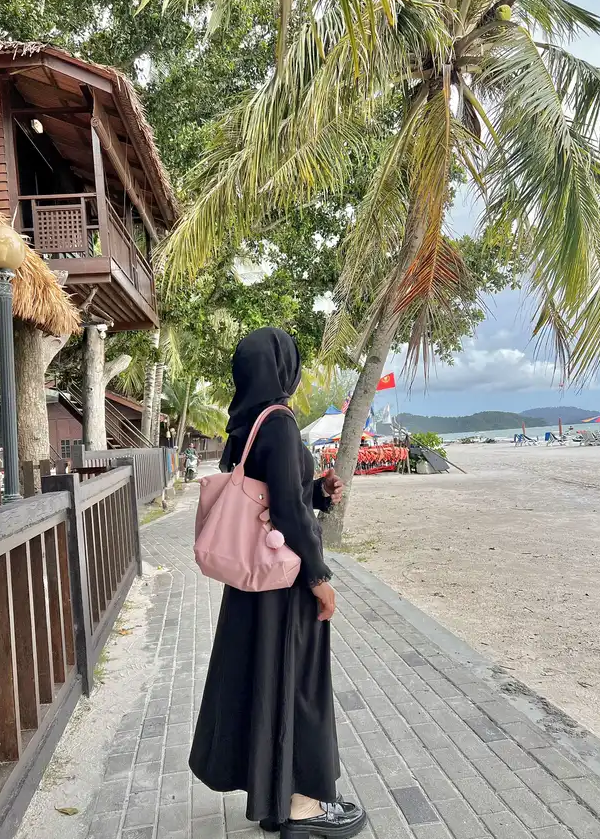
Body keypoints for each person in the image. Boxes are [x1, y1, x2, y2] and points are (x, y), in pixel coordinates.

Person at [189, 327, 367, 839]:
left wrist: (317, 493)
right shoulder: (281, 422)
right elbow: (286, 510)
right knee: (299, 685)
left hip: (251, 588)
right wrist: (319, 577)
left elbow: (270, 495)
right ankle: (304, 806)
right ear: (284, 370)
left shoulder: (242, 425)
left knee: (262, 683)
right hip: (284, 584)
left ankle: (275, 803)